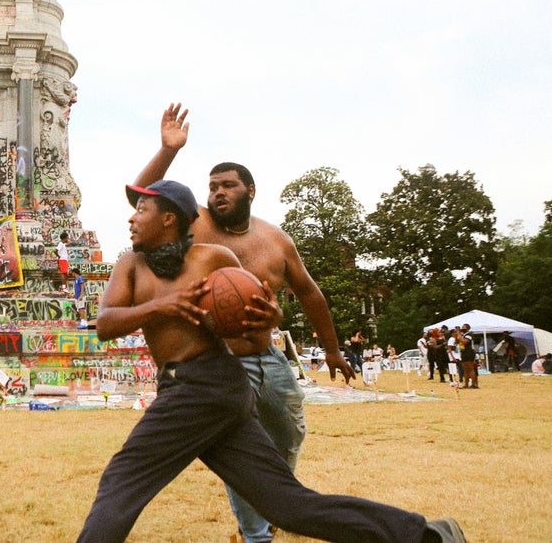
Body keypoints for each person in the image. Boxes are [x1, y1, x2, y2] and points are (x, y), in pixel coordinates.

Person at [77, 180, 465, 543]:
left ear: (169, 219)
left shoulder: (214, 258)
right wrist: (164, 305)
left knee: (121, 481)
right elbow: (107, 324)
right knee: (285, 504)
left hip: (206, 382)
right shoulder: (131, 263)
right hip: (202, 391)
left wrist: (270, 317)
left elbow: (258, 318)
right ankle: (428, 535)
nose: (131, 217)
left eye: (141, 209)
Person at [134, 104, 356, 543]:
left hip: (269, 358)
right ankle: (256, 534)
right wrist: (167, 149)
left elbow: (310, 293)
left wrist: (332, 349)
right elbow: (143, 192)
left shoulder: (277, 240)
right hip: (222, 364)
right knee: (245, 453)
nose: (217, 192)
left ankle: (270, 500)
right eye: (212, 186)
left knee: (289, 438)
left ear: (250, 190)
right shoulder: (194, 226)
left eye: (227, 186)